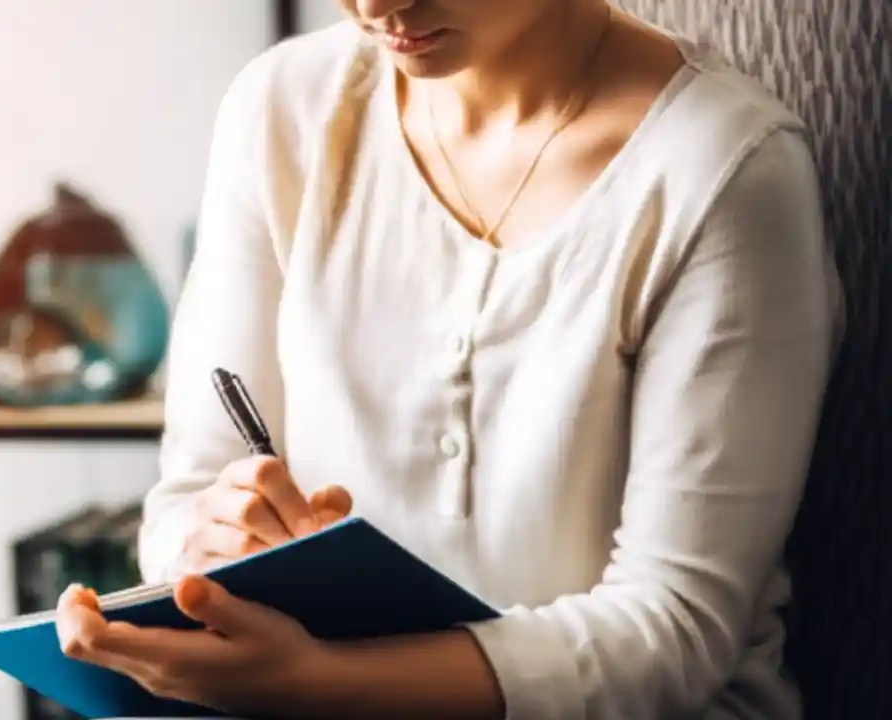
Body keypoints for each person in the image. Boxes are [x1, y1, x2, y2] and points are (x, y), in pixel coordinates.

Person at [55, 0, 843, 717]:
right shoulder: (282, 110)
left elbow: (674, 630)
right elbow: (188, 496)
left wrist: (316, 684)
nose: (374, 6)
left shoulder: (724, 172)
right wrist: (213, 547)